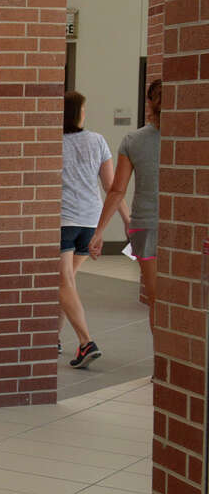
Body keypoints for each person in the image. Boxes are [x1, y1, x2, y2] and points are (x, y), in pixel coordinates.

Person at [60, 91, 129, 369]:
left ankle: (86, 341)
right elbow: (112, 187)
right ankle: (51, 339)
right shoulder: (97, 140)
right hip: (90, 221)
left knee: (63, 283)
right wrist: (126, 219)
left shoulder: (52, 142)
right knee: (68, 283)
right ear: (79, 113)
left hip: (63, 221)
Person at [89, 79, 161, 332]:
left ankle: (161, 365)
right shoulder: (192, 139)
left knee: (156, 300)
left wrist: (99, 232)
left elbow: (117, 189)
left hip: (145, 228)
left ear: (150, 103)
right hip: (184, 228)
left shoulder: (133, 141)